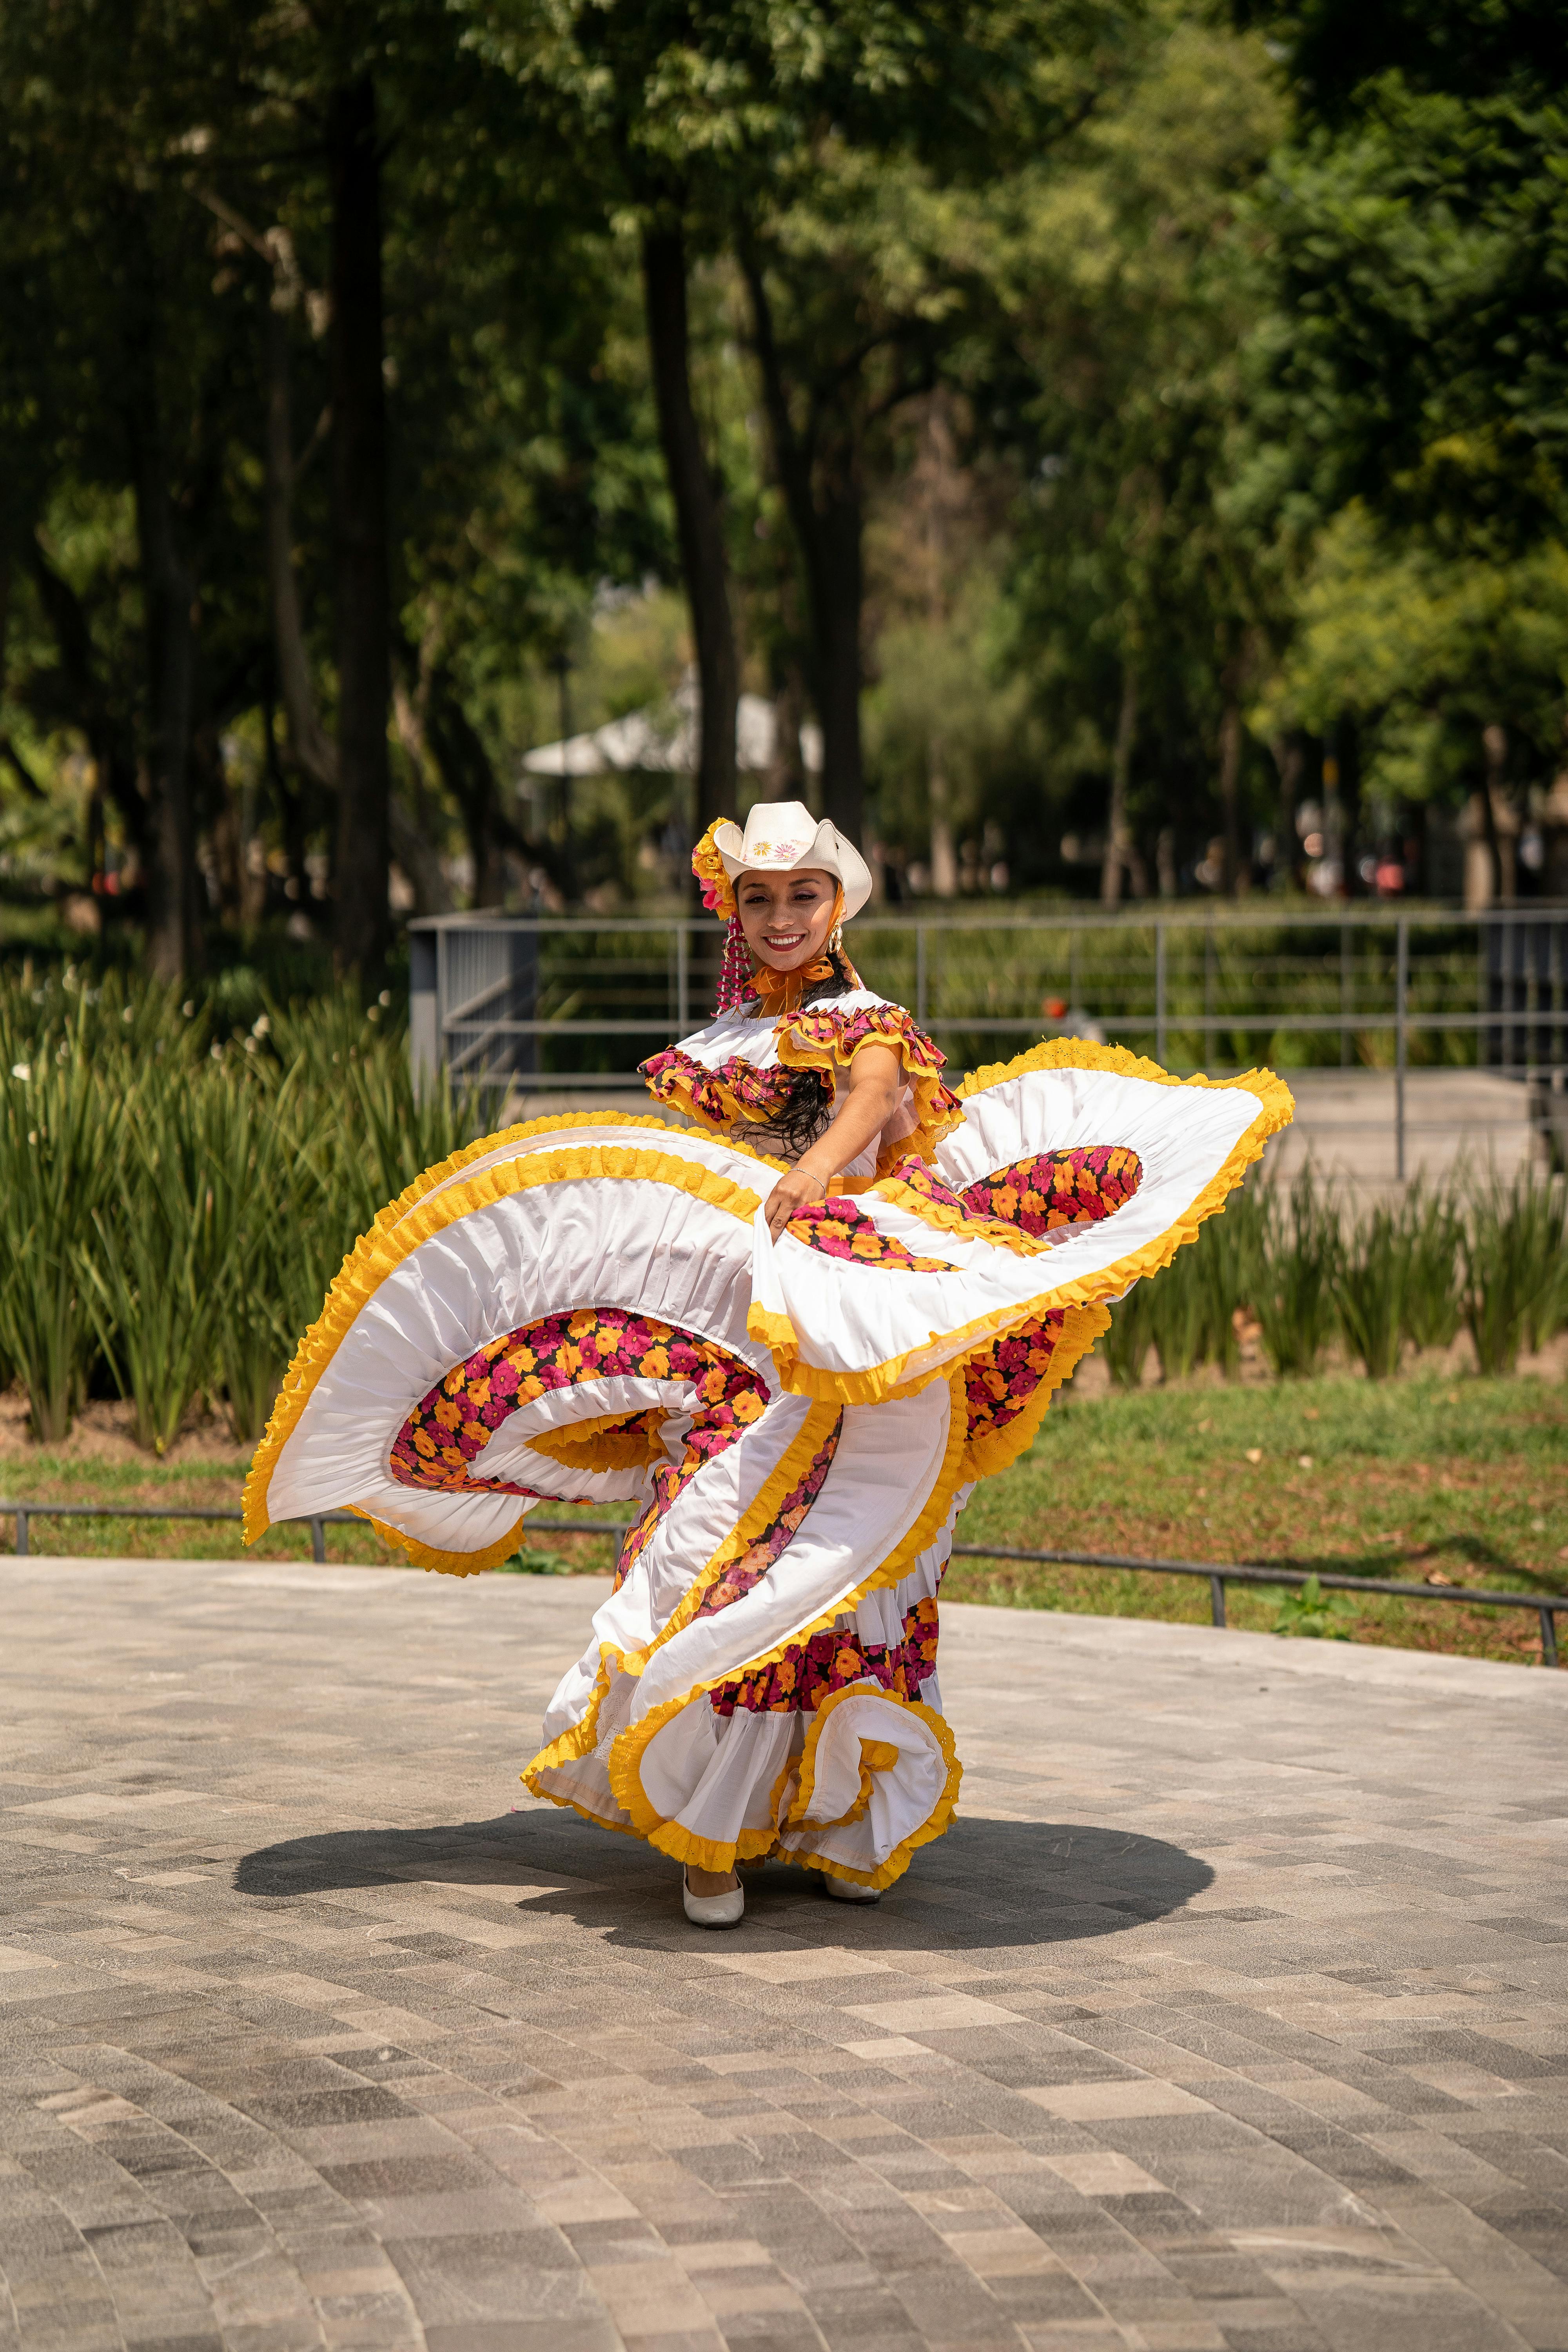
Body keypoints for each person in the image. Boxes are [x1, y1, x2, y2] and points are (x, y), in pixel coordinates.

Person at [245, 802, 1292, 1927]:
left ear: (837, 906)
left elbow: (873, 1100)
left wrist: (818, 1177)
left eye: (803, 896)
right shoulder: (720, 1049)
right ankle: (713, 1837)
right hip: (745, 1342)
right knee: (707, 1543)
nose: (783, 916)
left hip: (870, 1330)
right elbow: (691, 1189)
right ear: (734, 912)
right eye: (761, 898)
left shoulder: (868, 1022)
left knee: (865, 1575)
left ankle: (841, 1820)